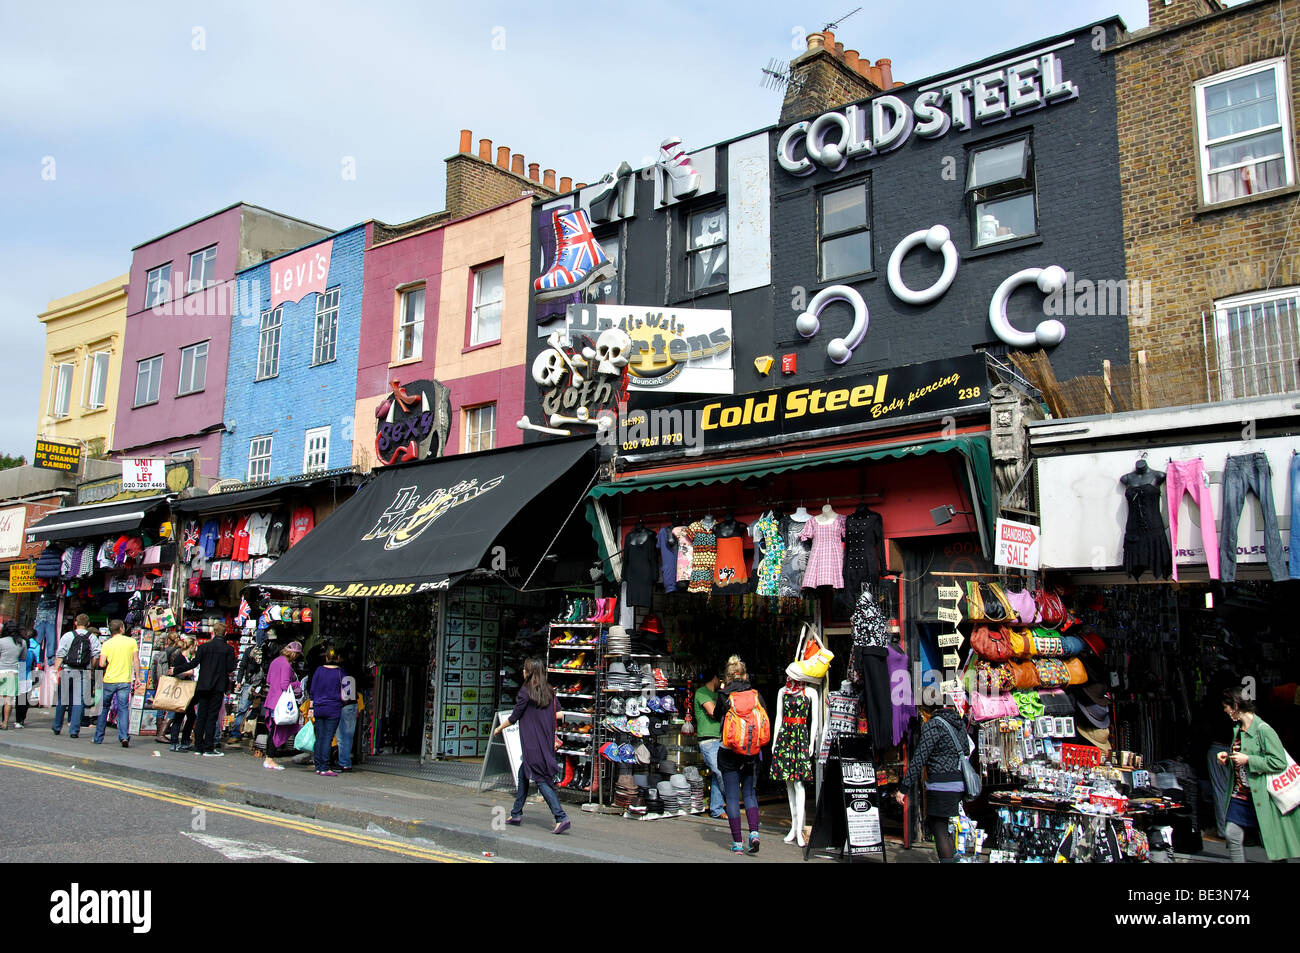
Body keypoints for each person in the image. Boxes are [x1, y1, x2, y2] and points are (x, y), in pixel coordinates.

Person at [1217, 686, 1300, 862]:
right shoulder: (1238, 730)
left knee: (1273, 844)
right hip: (1240, 795)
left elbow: (1278, 762)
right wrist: (1228, 758)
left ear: (1236, 706)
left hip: (1262, 797)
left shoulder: (1264, 730)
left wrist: (1249, 760)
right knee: (1232, 834)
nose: (1225, 711)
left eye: (1227, 707)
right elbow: (1241, 757)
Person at [492, 657, 570, 834]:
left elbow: (514, 717)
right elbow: (560, 714)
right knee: (523, 775)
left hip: (532, 743)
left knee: (541, 780)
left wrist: (498, 728)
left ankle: (561, 816)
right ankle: (516, 813)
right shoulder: (549, 691)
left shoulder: (525, 692)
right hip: (545, 741)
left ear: (530, 672)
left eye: (525, 669)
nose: (522, 671)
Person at [896, 703, 969, 862]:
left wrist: (904, 787)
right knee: (936, 822)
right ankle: (954, 857)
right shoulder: (958, 723)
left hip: (941, 784)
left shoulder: (934, 724)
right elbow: (967, 750)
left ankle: (950, 859)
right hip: (957, 783)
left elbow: (920, 757)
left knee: (939, 828)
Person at [714, 655, 764, 854]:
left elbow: (717, 716)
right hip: (751, 750)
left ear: (728, 675)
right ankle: (754, 833)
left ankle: (737, 843)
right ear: (744, 675)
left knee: (733, 797)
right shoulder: (755, 694)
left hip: (729, 750)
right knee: (750, 793)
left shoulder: (724, 695)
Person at [172, 623, 236, 757]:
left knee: (201, 716)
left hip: (203, 685)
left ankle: (198, 746)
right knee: (212, 717)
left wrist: (176, 669)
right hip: (218, 686)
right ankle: (208, 747)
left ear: (212, 633)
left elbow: (194, 664)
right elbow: (230, 667)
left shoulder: (204, 647)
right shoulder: (228, 649)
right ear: (225, 634)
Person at [52, 615, 100, 738]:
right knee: (78, 701)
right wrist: (91, 668)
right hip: (83, 671)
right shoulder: (92, 638)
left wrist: (56, 669)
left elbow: (61, 654)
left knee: (62, 699)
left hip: (67, 670)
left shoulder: (67, 636)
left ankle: (57, 727)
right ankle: (74, 730)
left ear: (75, 623)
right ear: (88, 623)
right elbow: (96, 656)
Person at [94, 620, 139, 748]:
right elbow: (135, 660)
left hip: (109, 680)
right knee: (123, 709)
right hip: (124, 680)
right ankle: (124, 736)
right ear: (121, 628)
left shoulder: (107, 644)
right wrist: (138, 677)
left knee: (104, 708)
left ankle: (98, 737)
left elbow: (102, 663)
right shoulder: (131, 642)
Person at [262, 640, 303, 770]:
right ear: (294, 654)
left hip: (272, 699)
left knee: (272, 730)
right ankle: (269, 758)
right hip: (280, 702)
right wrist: (297, 684)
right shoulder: (286, 665)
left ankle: (269, 758)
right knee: (276, 731)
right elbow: (285, 685)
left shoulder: (275, 661)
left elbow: (269, 680)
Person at [307, 647, 345, 777]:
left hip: (319, 707)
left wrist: (311, 707)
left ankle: (318, 765)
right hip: (333, 708)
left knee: (320, 737)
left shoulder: (319, 670)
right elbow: (347, 692)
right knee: (328, 738)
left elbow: (312, 690)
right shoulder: (341, 673)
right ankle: (324, 766)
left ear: (326, 657)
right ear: (337, 658)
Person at [694, 669, 725, 819]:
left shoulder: (718, 695)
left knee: (717, 774)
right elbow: (714, 712)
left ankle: (716, 809)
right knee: (720, 772)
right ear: (715, 677)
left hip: (720, 738)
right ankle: (731, 799)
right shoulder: (702, 693)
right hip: (708, 740)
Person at [168, 635, 199, 751]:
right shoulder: (180, 658)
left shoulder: (188, 659)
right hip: (182, 690)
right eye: (194, 646)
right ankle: (175, 742)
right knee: (180, 715)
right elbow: (173, 673)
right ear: (191, 646)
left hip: (187, 691)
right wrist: (188, 673)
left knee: (190, 716)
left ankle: (184, 740)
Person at [150, 631, 176, 743]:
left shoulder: (163, 651)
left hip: (161, 681)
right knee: (171, 706)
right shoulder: (175, 652)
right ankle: (162, 732)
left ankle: (159, 730)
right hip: (170, 681)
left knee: (160, 706)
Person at [0, 621, 24, 729]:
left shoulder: (1, 641)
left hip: (1, 670)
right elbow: (23, 658)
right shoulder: (22, 642)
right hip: (13, 672)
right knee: (8, 700)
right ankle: (5, 723)